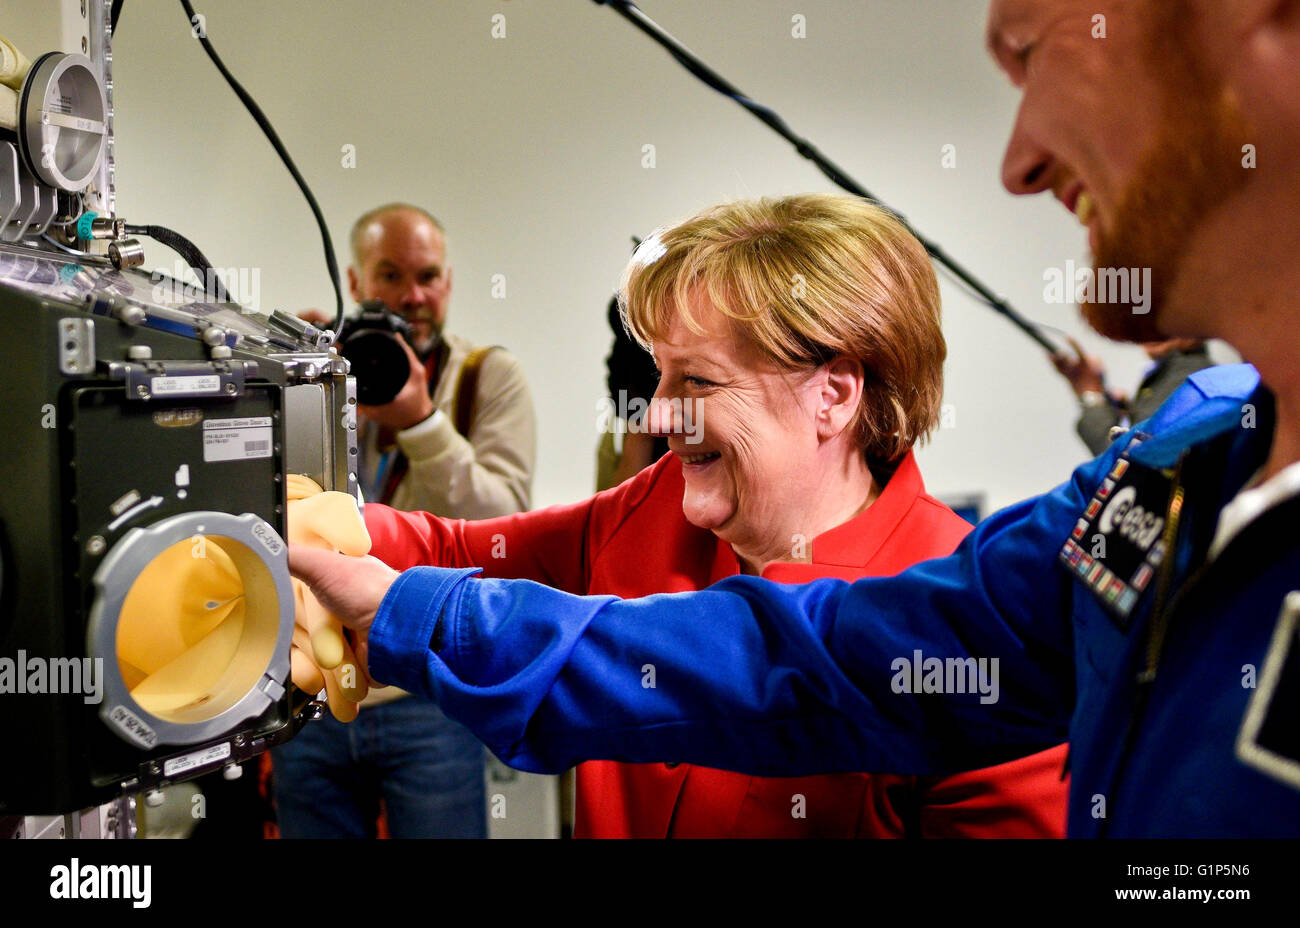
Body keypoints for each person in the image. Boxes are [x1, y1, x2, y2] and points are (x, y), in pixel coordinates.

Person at [290, 0, 1300, 838]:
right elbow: (810, 660)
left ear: (836, 390)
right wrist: (305, 533)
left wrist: (407, 616)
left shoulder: (954, 571)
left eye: (1031, 49)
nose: (1019, 162)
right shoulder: (1177, 464)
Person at [361, 194, 1068, 837]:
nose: (659, 413)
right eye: (658, 376)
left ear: (834, 395)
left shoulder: (966, 621)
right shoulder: (656, 504)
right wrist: (305, 521)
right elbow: (459, 548)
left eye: (696, 380)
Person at [272, 203, 537, 839]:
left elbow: (505, 531)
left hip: (432, 689)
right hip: (313, 687)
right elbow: (273, 502)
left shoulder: (486, 377)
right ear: (355, 283)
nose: (410, 296)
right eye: (389, 276)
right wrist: (296, 380)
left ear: (447, 283)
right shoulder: (320, 371)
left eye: (427, 276)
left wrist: (421, 423)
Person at [1052, 336, 1216, 455]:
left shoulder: (1187, 371)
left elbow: (1125, 459)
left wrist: (1090, 393)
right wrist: (1128, 412)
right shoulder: (1179, 370)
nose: (1147, 327)